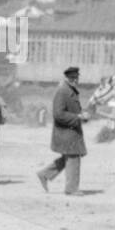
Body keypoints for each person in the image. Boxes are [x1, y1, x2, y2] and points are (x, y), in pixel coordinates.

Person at [36, 66, 88, 194]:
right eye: (72, 78)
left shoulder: (70, 90)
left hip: (70, 131)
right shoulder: (63, 91)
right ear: (67, 78)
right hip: (66, 132)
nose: (75, 80)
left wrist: (83, 116)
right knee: (73, 157)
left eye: (76, 78)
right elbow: (58, 114)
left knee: (68, 158)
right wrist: (78, 117)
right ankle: (71, 189)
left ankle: (44, 174)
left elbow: (73, 111)